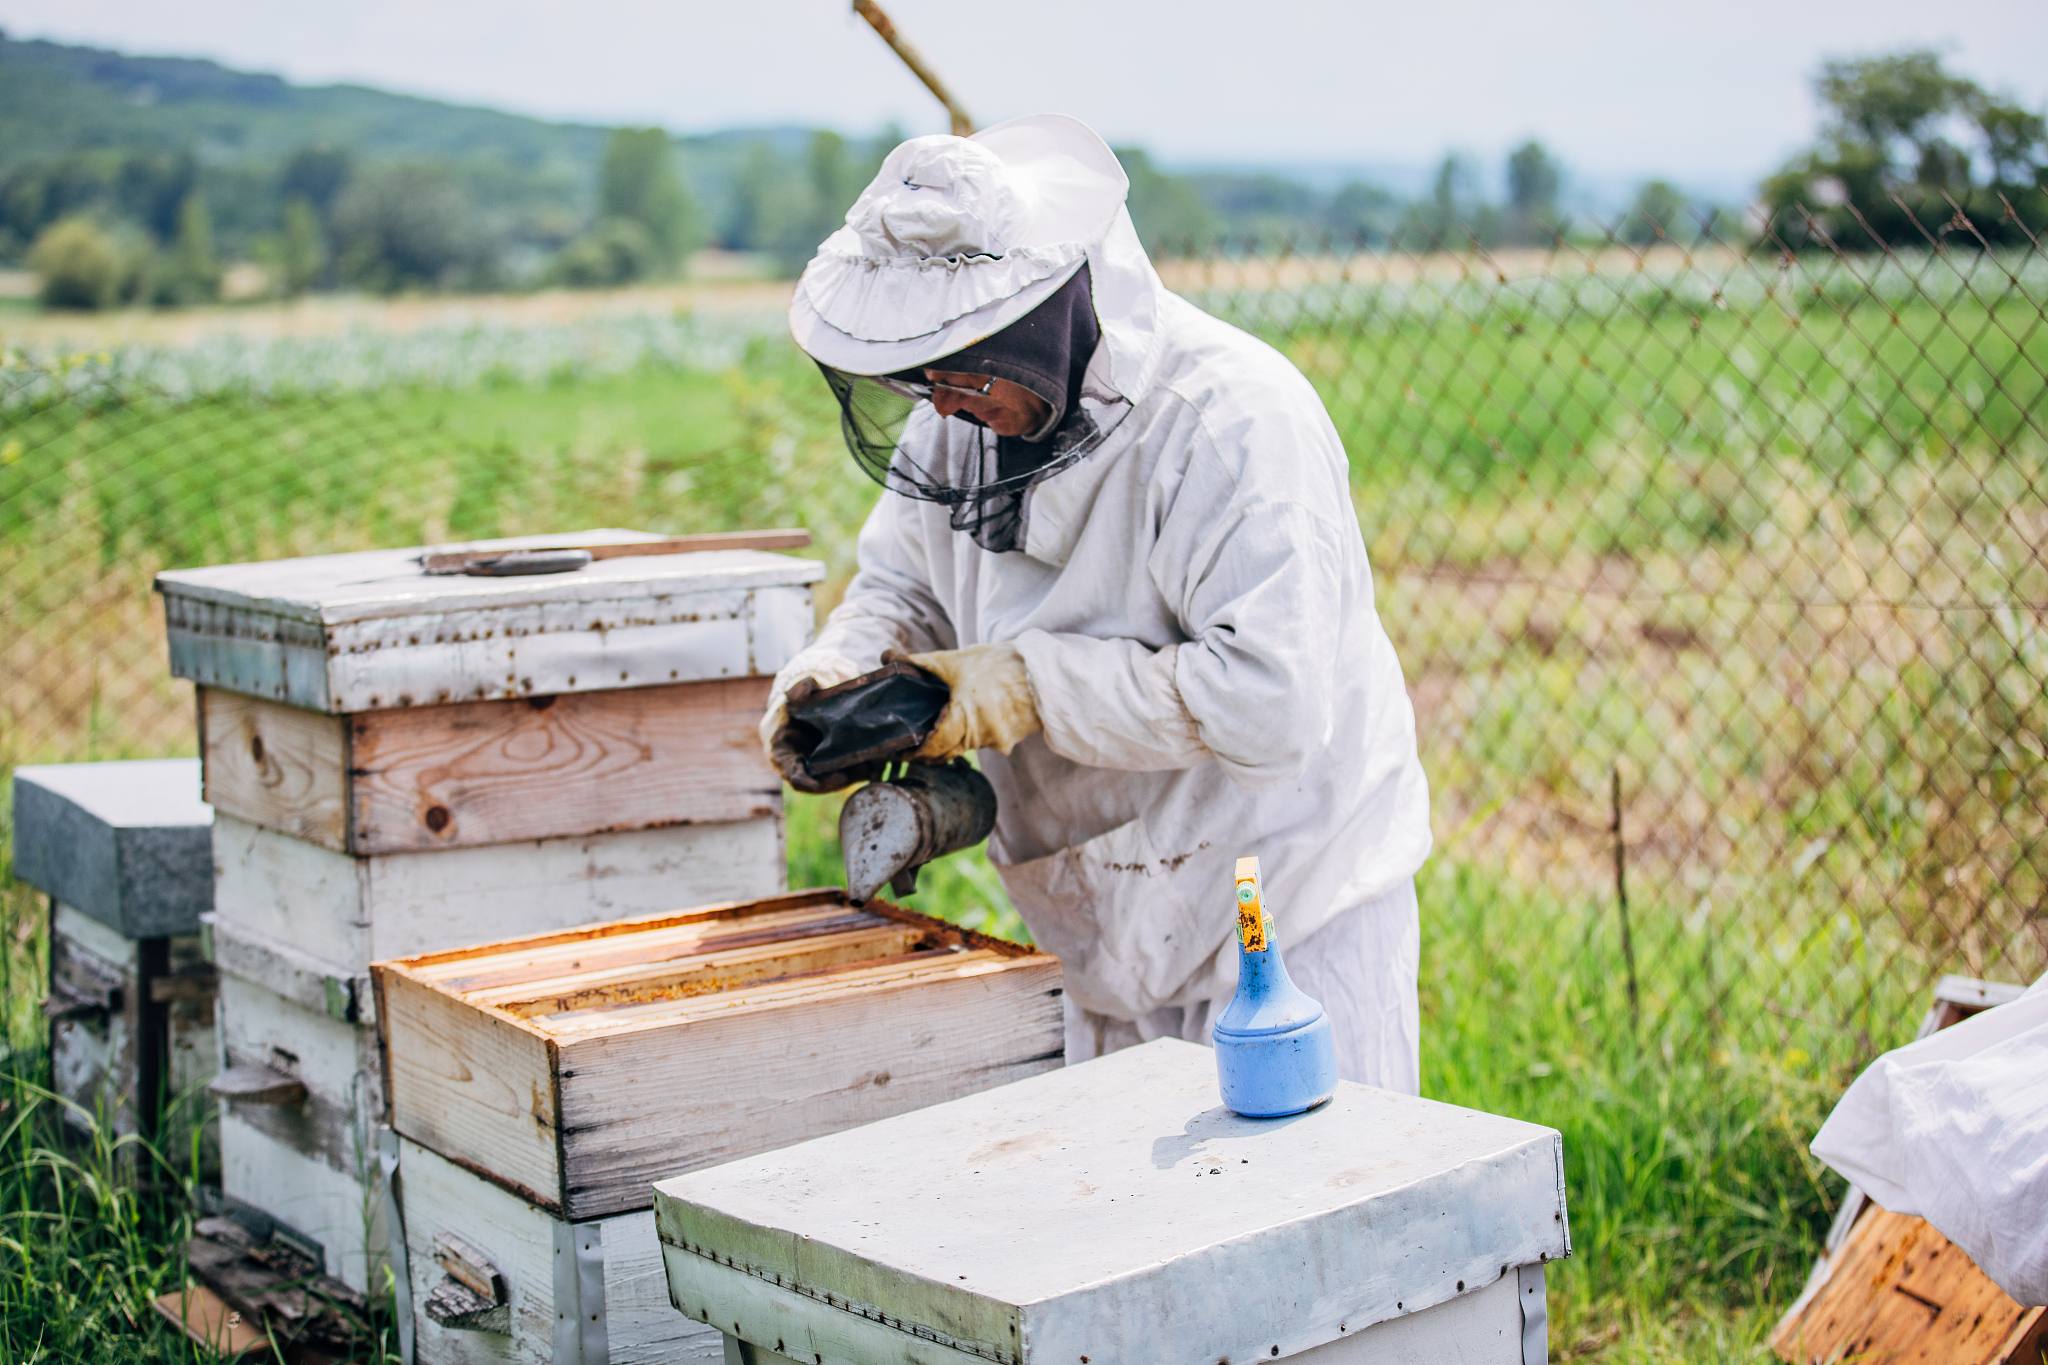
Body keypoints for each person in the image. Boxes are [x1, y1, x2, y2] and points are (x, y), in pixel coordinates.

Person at [760, 114, 1432, 1091]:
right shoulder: (956, 425)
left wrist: (1024, 686)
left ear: (1047, 317)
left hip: (1283, 908)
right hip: (1097, 922)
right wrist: (833, 676)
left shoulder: (1232, 425)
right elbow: (902, 587)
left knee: (1312, 1220)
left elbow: (1268, 704)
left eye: (961, 364)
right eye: (917, 371)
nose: (938, 400)